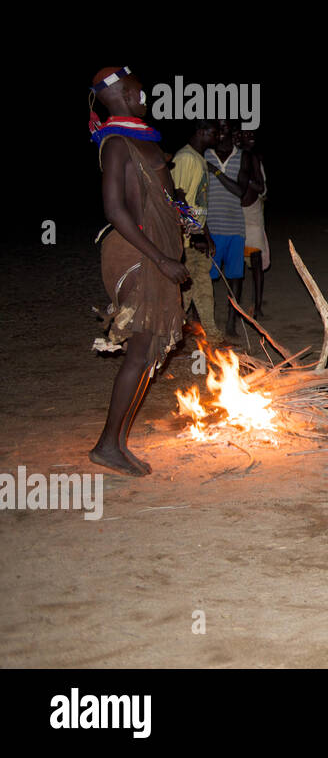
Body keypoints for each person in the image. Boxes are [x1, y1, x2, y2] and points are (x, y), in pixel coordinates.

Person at [88, 66, 189, 476]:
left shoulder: (142, 141)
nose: (146, 98)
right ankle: (107, 444)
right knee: (139, 353)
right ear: (124, 95)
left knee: (147, 354)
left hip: (155, 252)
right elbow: (115, 211)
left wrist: (182, 216)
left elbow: (161, 200)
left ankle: (116, 442)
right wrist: (162, 259)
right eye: (139, 91)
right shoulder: (116, 143)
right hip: (135, 254)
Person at [170, 117, 219, 336]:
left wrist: (206, 235)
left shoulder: (198, 158)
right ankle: (174, 337)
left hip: (195, 236)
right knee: (190, 290)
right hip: (185, 238)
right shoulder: (186, 157)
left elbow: (199, 203)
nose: (217, 138)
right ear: (201, 132)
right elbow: (177, 196)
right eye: (214, 133)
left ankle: (210, 335)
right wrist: (195, 232)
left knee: (199, 288)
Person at [205, 121, 253, 339]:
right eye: (218, 129)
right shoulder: (204, 153)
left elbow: (239, 191)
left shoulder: (242, 156)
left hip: (235, 227)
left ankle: (231, 323)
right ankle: (203, 322)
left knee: (235, 278)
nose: (220, 133)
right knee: (205, 278)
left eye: (224, 130)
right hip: (210, 227)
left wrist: (215, 172)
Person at [238, 129, 268, 319]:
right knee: (236, 264)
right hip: (233, 214)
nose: (250, 139)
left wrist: (245, 180)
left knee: (255, 260)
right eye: (246, 135)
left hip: (253, 213)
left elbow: (261, 188)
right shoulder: (234, 157)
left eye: (253, 136)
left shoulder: (254, 158)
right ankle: (236, 305)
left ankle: (257, 305)